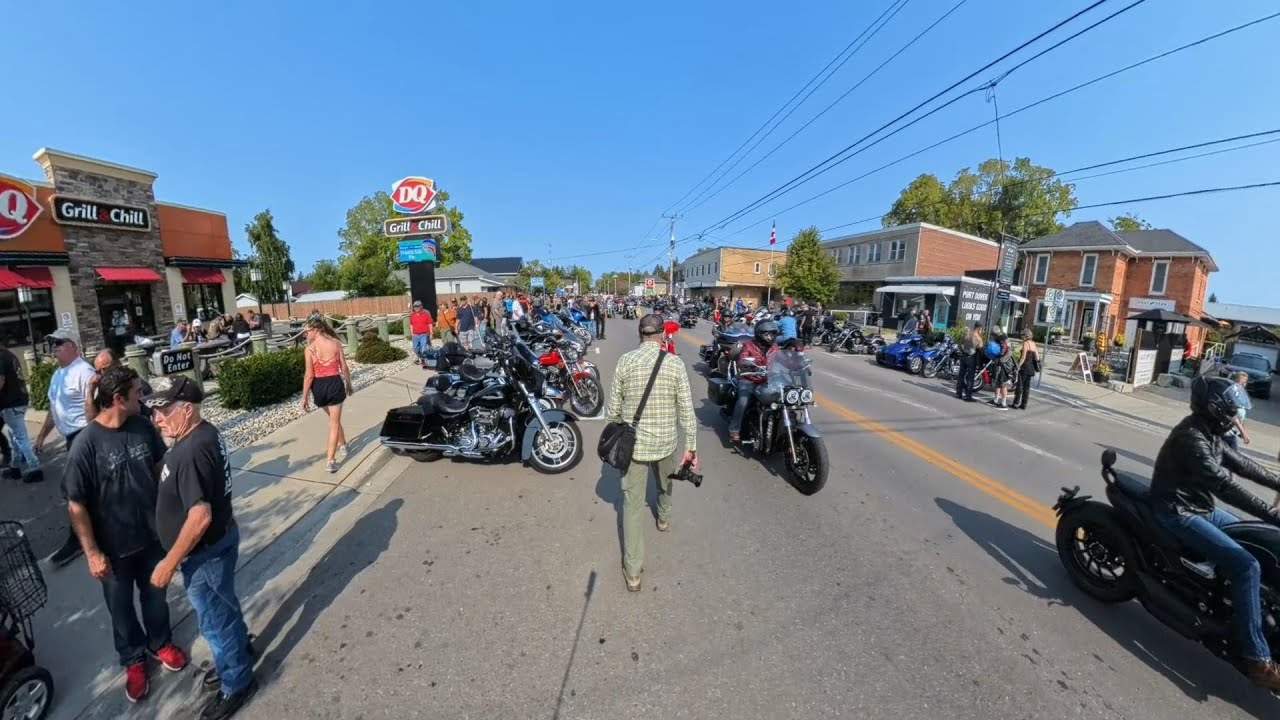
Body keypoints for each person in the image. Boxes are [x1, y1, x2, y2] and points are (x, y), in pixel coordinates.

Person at [63, 366, 189, 703]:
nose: (142, 398)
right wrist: (91, 553)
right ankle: (133, 660)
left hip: (151, 538)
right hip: (112, 551)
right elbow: (76, 505)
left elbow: (160, 468)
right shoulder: (85, 446)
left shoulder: (143, 427)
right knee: (121, 609)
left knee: (155, 597)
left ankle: (160, 643)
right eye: (136, 393)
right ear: (118, 399)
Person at [1149, 375, 1280, 692]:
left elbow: (1244, 465)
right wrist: (1272, 514)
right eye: (1232, 411)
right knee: (1247, 565)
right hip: (1176, 511)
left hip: (1200, 508)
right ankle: (1258, 659)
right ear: (1215, 409)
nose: (1236, 416)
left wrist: (1278, 483)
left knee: (1255, 538)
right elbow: (1225, 485)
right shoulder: (1191, 439)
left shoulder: (1211, 432)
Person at [145, 376, 258, 719]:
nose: (157, 418)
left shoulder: (190, 451)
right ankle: (239, 652)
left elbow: (199, 516)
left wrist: (168, 563)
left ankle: (237, 682)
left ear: (188, 409)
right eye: (153, 411)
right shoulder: (203, 433)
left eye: (163, 410)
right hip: (219, 542)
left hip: (205, 552)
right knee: (224, 608)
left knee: (215, 621)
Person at [605, 314, 699, 592]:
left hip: (633, 447)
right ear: (662, 336)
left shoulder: (625, 362)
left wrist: (625, 423)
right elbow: (686, 410)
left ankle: (633, 572)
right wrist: (691, 447)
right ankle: (663, 518)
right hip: (666, 443)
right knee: (665, 483)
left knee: (631, 507)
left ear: (640, 334)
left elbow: (612, 412)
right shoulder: (674, 364)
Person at [35, 329, 98, 565]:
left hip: (84, 435)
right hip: (70, 438)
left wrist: (92, 440)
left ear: (74, 346)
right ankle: (90, 534)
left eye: (59, 343)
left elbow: (95, 409)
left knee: (74, 492)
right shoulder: (57, 375)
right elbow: (55, 411)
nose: (55, 347)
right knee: (83, 491)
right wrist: (41, 436)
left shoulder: (84, 372)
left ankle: (79, 540)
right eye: (52, 344)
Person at [301, 317, 354, 473]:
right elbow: (344, 367)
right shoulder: (336, 344)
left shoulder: (310, 349)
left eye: (307, 331)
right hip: (334, 384)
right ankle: (331, 460)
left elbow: (309, 375)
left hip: (319, 387)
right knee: (334, 422)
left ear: (316, 330)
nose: (306, 334)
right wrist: (349, 384)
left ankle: (343, 444)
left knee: (333, 420)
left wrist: (305, 396)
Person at [729, 320, 780, 444]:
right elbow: (742, 359)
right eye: (768, 334)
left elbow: (782, 359)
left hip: (768, 380)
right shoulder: (749, 345)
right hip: (749, 378)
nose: (771, 337)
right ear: (760, 334)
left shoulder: (774, 347)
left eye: (773, 334)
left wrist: (795, 365)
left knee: (784, 400)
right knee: (743, 401)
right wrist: (749, 365)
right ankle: (734, 429)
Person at [0, 339, 39, 483]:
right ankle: (15, 467)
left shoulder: (0, 357)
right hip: (19, 400)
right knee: (15, 437)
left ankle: (35, 468)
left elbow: (1, 381)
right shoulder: (10, 355)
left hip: (11, 403)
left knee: (21, 439)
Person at [88, 349, 155, 422]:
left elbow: (143, 414)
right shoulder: (105, 390)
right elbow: (93, 421)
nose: (102, 374)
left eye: (105, 369)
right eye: (98, 371)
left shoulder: (137, 386)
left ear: (117, 364)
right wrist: (90, 393)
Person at [1225, 371, 1253, 451]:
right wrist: (1244, 434)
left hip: (1230, 430)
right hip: (1225, 431)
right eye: (1241, 382)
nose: (1244, 385)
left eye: (1245, 382)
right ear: (1235, 381)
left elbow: (1240, 418)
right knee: (1235, 457)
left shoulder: (1240, 394)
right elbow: (1233, 417)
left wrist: (1242, 431)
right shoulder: (1231, 394)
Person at [988, 327, 1015, 410]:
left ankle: (1003, 402)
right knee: (997, 382)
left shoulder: (1004, 339)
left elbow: (1009, 351)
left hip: (1004, 364)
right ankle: (996, 400)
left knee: (1003, 383)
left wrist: (1001, 360)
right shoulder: (1000, 338)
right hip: (999, 362)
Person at [1012, 329, 1039, 410]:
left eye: (1022, 336)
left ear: (1025, 336)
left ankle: (1016, 403)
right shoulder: (1033, 344)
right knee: (1027, 388)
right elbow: (1037, 357)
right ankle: (1024, 404)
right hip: (1031, 368)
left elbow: (1023, 357)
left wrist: (1018, 366)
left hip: (1024, 367)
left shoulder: (1025, 343)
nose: (1022, 337)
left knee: (1019, 386)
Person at [956, 322, 983, 402]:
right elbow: (981, 349)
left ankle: (958, 393)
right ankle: (968, 396)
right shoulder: (978, 338)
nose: (981, 331)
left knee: (961, 375)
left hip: (963, 356)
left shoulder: (967, 334)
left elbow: (960, 344)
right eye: (981, 329)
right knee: (970, 378)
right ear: (979, 329)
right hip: (971, 358)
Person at [409, 300, 434, 366]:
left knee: (423, 349)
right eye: (414, 306)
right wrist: (412, 333)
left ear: (421, 307)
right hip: (415, 335)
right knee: (415, 349)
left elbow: (430, 324)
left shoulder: (426, 314)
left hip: (424, 334)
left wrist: (431, 333)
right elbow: (411, 324)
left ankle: (423, 360)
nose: (416, 308)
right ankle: (422, 357)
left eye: (417, 306)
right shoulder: (412, 315)